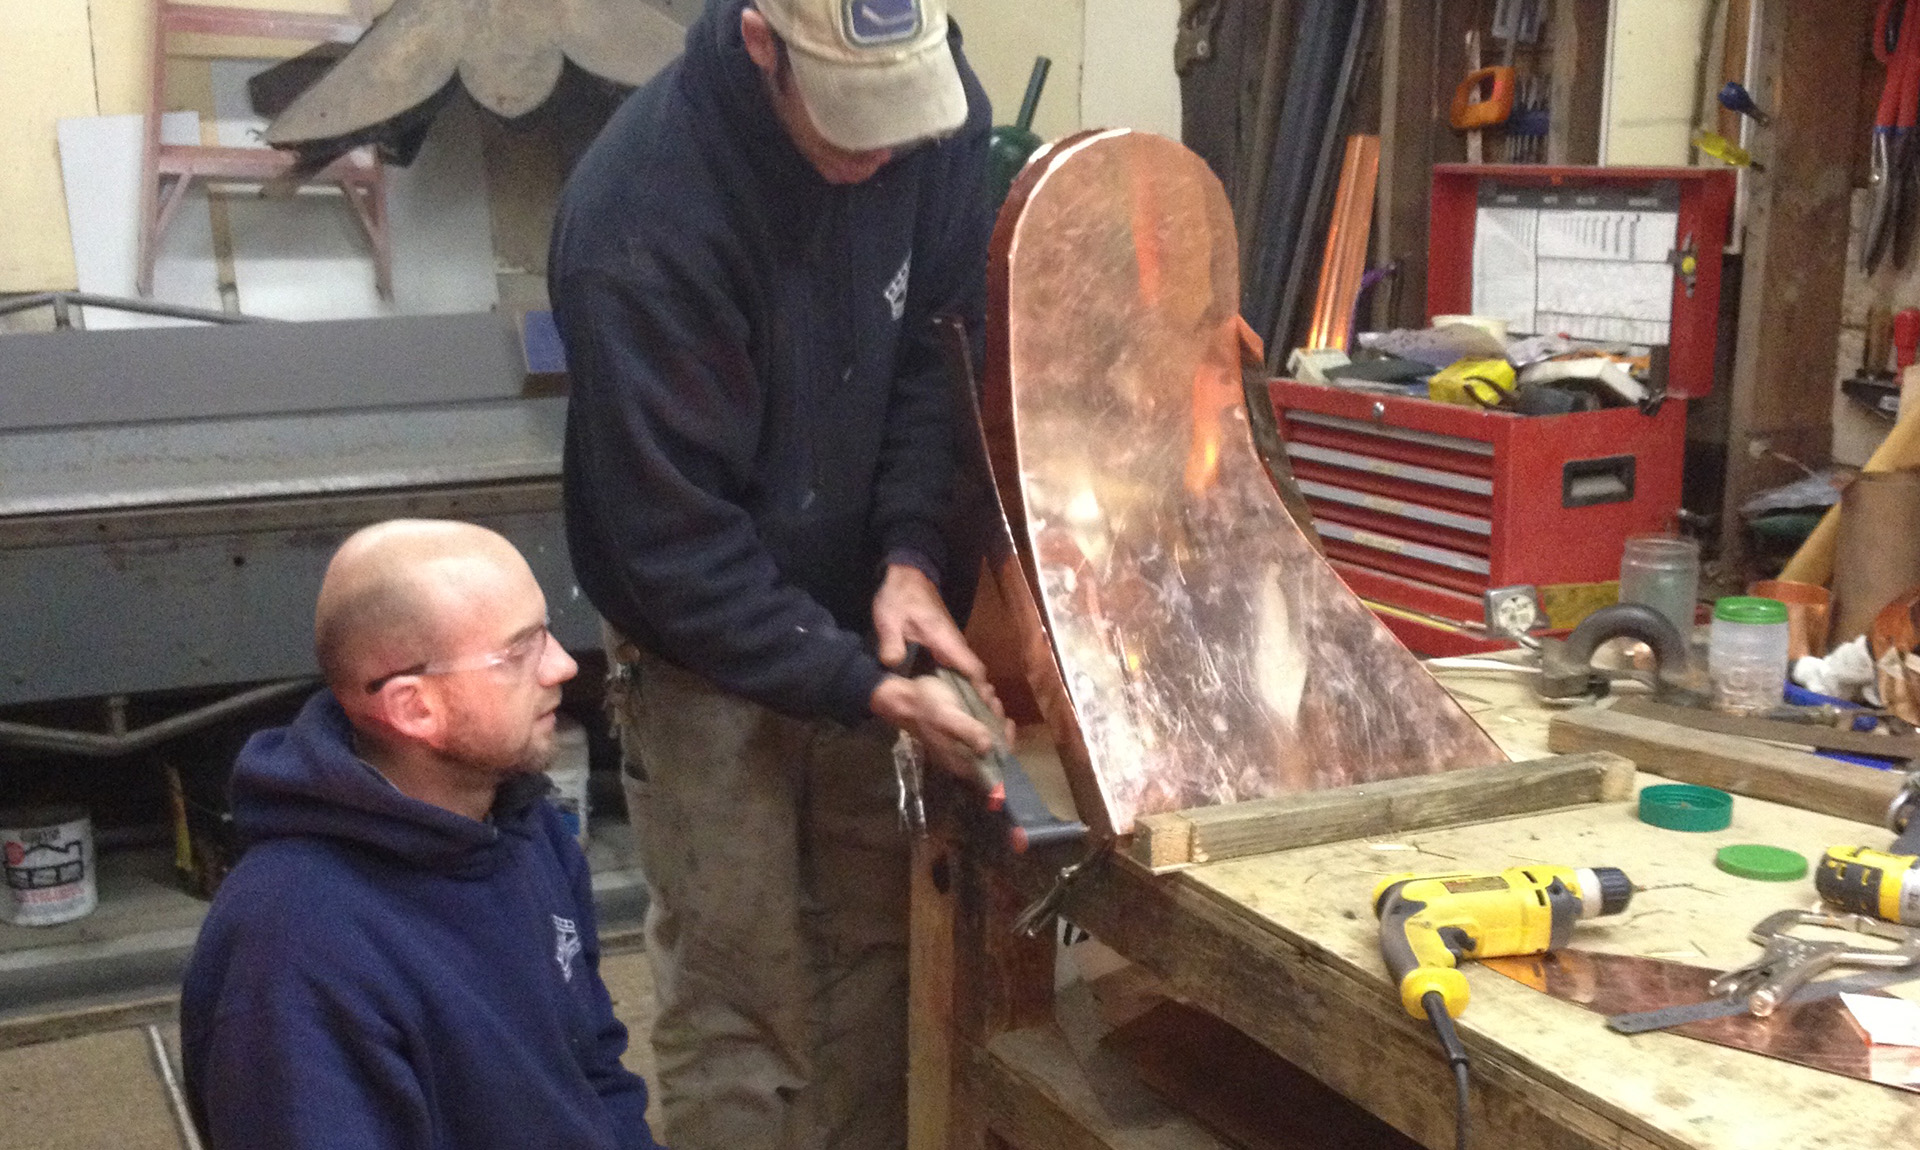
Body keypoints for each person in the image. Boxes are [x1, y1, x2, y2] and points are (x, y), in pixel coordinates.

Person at [547, 0, 1003, 1146]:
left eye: (906, 117)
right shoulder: (637, 223)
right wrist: (859, 687)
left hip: (864, 606)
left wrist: (910, 556)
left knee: (878, 953)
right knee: (742, 991)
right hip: (701, 641)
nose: (886, 154)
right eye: (856, 124)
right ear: (763, 43)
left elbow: (934, 357)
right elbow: (671, 547)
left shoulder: (931, 119)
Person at [178, 519, 664, 1150]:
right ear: (413, 707)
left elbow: (594, 1069)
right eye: (520, 651)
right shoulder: (294, 954)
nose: (564, 665)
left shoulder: (525, 826)